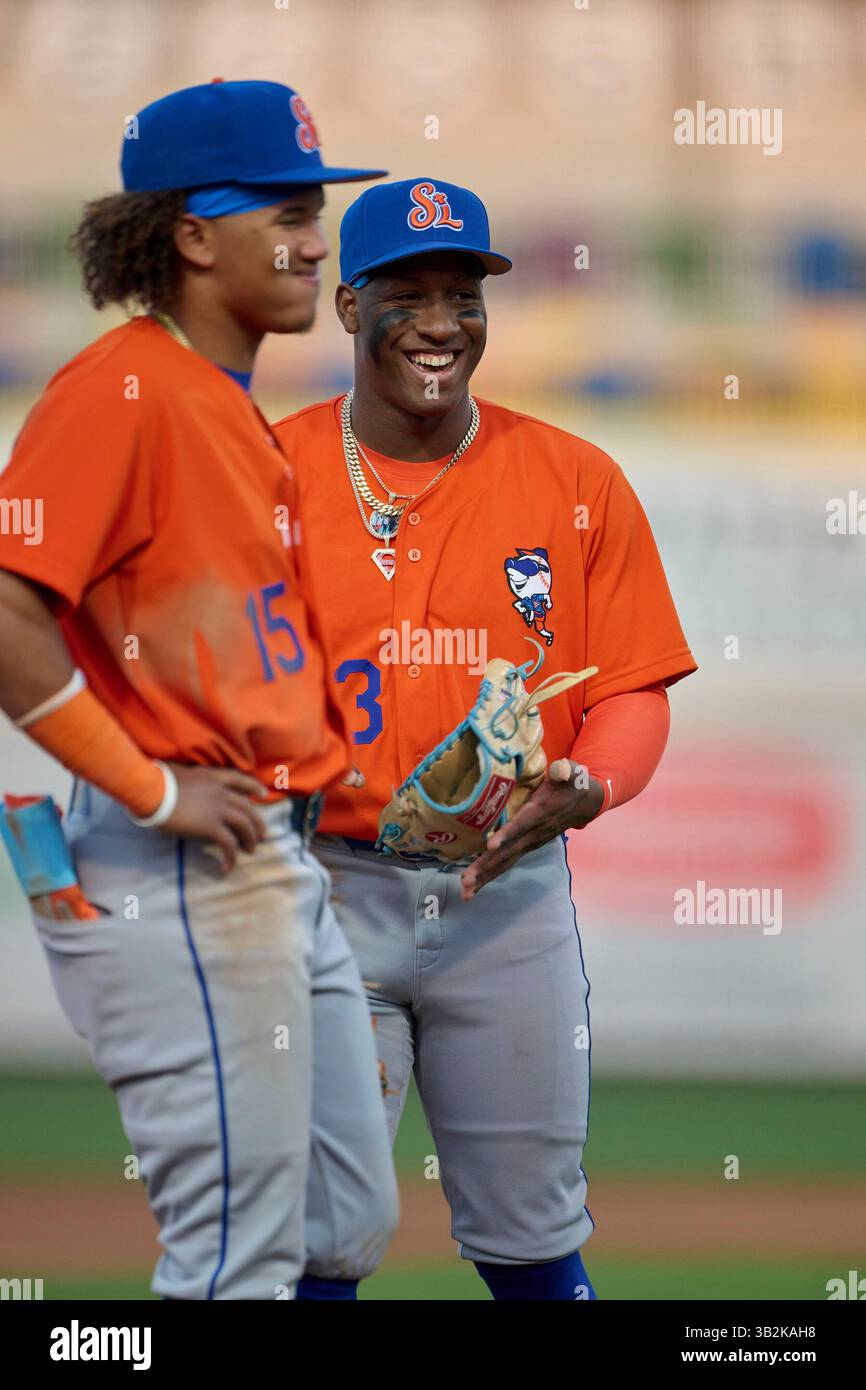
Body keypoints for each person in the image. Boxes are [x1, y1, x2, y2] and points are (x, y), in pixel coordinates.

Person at [0, 80, 397, 1301]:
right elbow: (6, 612)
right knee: (234, 1262)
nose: (316, 237)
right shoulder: (121, 390)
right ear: (190, 232)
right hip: (179, 870)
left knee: (344, 1223)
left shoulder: (224, 403)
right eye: (286, 208)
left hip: (270, 856)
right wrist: (148, 786)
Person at [273, 177, 698, 1301]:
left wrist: (591, 785)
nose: (439, 322)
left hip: (502, 898)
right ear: (347, 306)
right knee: (316, 1240)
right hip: (319, 888)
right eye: (405, 293)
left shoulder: (572, 479)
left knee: (532, 1237)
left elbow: (634, 689)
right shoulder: (262, 475)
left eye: (462, 294)